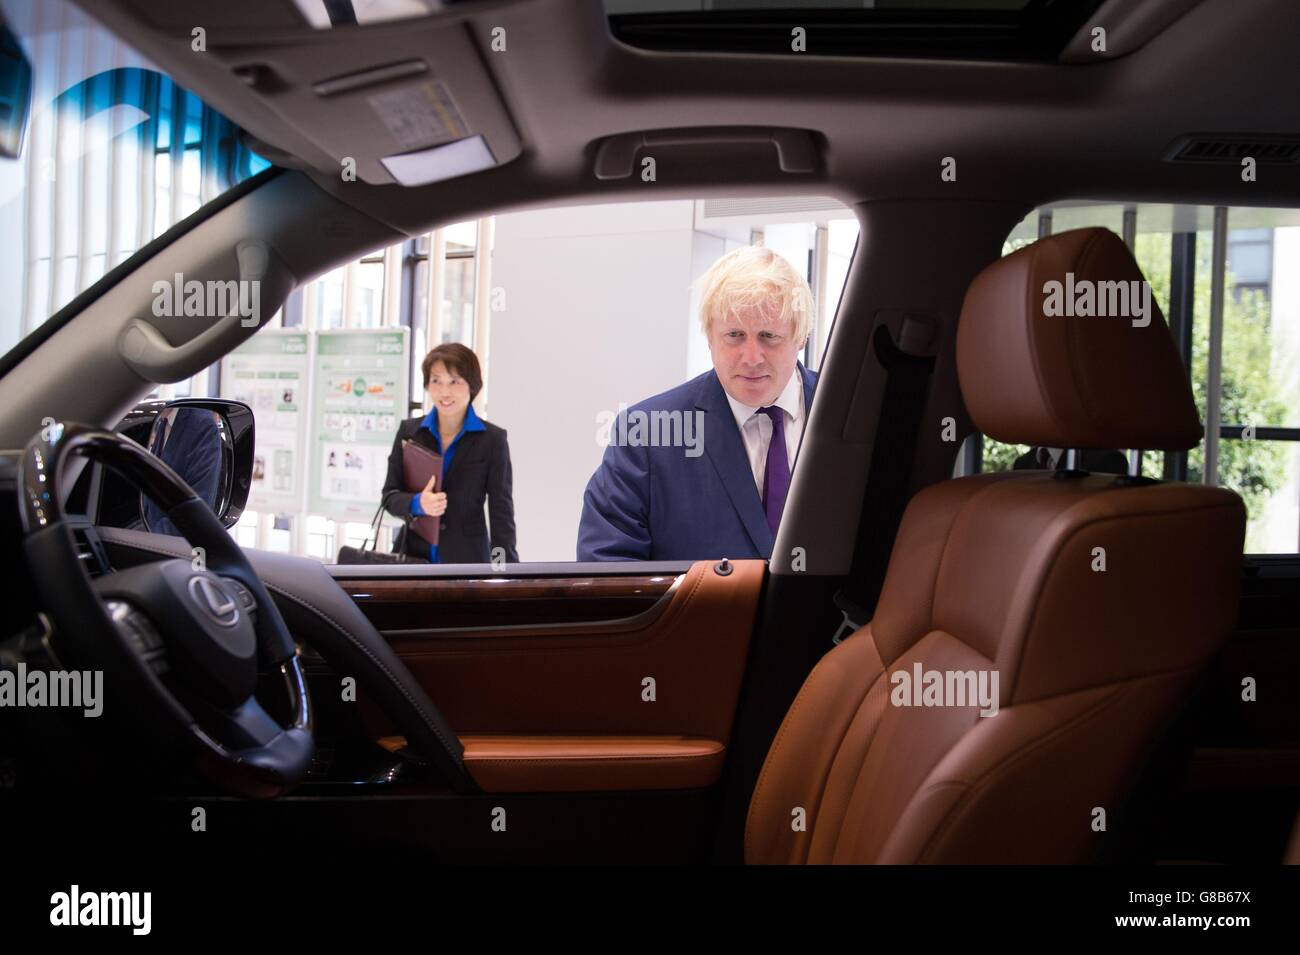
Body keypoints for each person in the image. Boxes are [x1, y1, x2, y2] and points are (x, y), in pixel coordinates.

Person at [578, 246, 817, 561]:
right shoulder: (647, 434)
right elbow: (605, 571)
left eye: (768, 336)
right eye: (734, 335)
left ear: (801, 337)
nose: (751, 358)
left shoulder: (856, 415)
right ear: (709, 337)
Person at [382, 343, 517, 563]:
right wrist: (417, 503)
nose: (444, 392)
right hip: (412, 559)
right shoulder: (409, 433)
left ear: (472, 385)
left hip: (467, 561)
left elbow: (501, 512)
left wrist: (506, 571)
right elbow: (389, 497)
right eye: (436, 381)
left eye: (454, 381)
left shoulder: (492, 440)